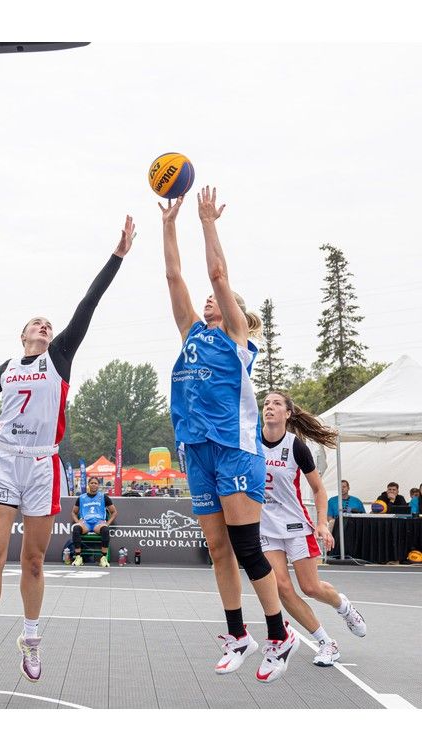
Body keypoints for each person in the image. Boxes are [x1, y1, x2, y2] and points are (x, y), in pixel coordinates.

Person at [0, 215, 135, 689]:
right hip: (3, 458)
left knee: (33, 560)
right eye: (37, 321)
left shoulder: (60, 356)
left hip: (42, 462)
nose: (46, 324)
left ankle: (31, 638)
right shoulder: (11, 365)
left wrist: (117, 255)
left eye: (48, 323)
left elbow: (87, 303)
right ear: (23, 335)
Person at [161, 187, 295, 684]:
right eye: (207, 302)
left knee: (247, 549)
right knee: (217, 551)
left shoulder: (237, 339)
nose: (208, 302)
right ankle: (239, 634)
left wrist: (206, 223)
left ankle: (279, 636)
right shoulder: (190, 333)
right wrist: (168, 224)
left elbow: (216, 273)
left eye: (217, 300)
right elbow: (175, 276)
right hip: (196, 451)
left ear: (232, 309)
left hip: (236, 451)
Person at [259, 391, 367, 667]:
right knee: (282, 588)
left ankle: (343, 606)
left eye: (276, 404)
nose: (269, 407)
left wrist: (321, 523)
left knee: (310, 587)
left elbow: (319, 489)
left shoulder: (296, 447)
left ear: (288, 413)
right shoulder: (250, 442)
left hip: (296, 526)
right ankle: (326, 642)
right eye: (266, 404)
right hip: (267, 529)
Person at [70, 476, 118, 567]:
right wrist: (77, 522)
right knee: (76, 528)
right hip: (86, 523)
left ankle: (103, 558)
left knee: (105, 530)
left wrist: (107, 523)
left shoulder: (103, 497)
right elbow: (73, 512)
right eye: (92, 483)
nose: (93, 485)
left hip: (98, 523)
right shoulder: (81, 497)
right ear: (88, 484)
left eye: (95, 483)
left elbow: (114, 512)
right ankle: (78, 557)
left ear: (98, 485)